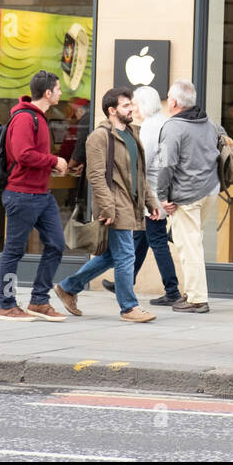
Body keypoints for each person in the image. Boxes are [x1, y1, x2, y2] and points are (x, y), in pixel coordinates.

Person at [52, 88, 158, 323]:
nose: (131, 108)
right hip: (114, 204)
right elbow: (96, 175)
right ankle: (129, 307)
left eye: (131, 104)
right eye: (125, 105)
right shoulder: (99, 137)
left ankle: (69, 287)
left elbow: (140, 174)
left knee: (112, 255)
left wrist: (151, 201)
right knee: (126, 254)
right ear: (112, 110)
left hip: (131, 204)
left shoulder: (133, 134)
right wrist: (107, 207)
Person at [0, 70, 78, 321]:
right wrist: (54, 160)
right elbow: (23, 154)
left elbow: (31, 156)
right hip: (22, 194)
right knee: (14, 251)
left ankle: (39, 301)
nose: (61, 93)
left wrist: (51, 164)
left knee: (56, 244)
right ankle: (6, 304)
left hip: (42, 194)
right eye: (58, 89)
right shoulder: (24, 118)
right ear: (48, 92)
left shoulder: (39, 118)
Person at [99, 85, 181, 306]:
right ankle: (125, 281)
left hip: (153, 193)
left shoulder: (148, 129)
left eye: (134, 104)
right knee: (141, 238)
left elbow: (140, 164)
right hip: (160, 191)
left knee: (156, 240)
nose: (133, 109)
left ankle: (172, 290)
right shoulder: (165, 122)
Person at [155, 79, 219, 313]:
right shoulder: (209, 124)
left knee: (189, 246)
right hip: (209, 190)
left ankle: (196, 298)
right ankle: (193, 291)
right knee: (194, 242)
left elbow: (166, 165)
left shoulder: (173, 127)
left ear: (172, 102)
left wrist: (163, 195)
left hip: (186, 194)